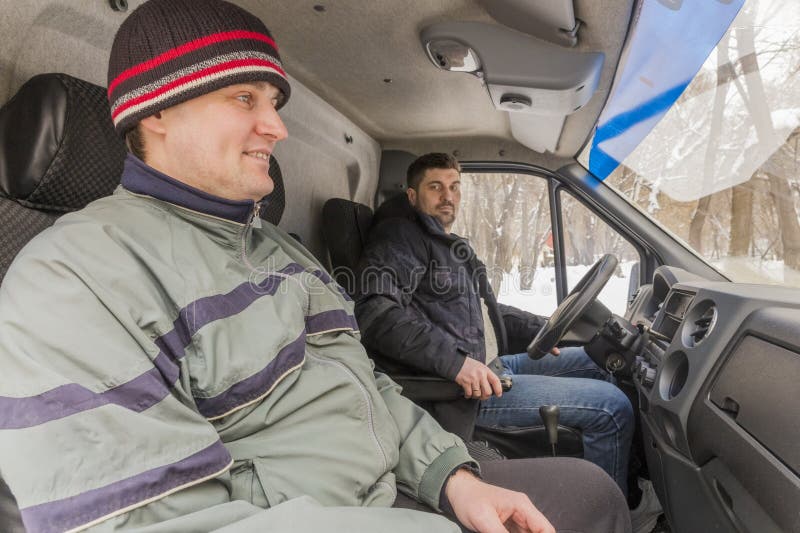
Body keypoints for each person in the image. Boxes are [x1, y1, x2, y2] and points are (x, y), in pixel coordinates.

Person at [0, 1, 632, 532]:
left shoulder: (283, 253)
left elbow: (366, 383)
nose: (275, 126)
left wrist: (449, 477)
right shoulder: (73, 279)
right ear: (156, 112)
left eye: (273, 100)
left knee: (592, 494)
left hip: (389, 489)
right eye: (245, 97)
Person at [355, 152, 635, 496]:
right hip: (462, 391)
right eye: (436, 187)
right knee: (612, 407)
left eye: (455, 187)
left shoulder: (444, 244)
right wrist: (456, 364)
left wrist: (542, 327)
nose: (448, 197)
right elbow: (377, 312)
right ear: (412, 195)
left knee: (599, 362)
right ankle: (618, 513)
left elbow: (486, 311)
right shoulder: (400, 237)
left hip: (494, 364)